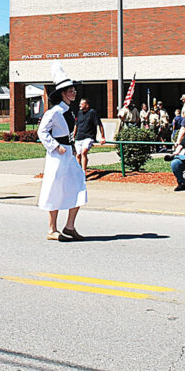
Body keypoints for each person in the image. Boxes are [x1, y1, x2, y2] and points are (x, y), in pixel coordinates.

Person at [37, 64, 87, 240]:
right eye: (70, 90)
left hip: (69, 155)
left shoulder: (70, 111)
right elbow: (41, 132)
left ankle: (70, 226)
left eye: (74, 90)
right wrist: (55, 146)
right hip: (57, 156)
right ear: (63, 94)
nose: (74, 92)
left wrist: (72, 148)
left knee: (79, 186)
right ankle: (52, 229)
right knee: (55, 189)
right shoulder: (54, 112)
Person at [73, 97, 105, 173]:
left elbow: (100, 125)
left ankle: (83, 172)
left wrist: (102, 137)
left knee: (83, 152)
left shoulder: (92, 112)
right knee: (78, 155)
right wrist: (73, 136)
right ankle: (79, 172)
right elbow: (76, 125)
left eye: (81, 104)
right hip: (79, 137)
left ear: (87, 105)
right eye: (79, 104)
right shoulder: (79, 113)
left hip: (89, 137)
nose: (79, 105)